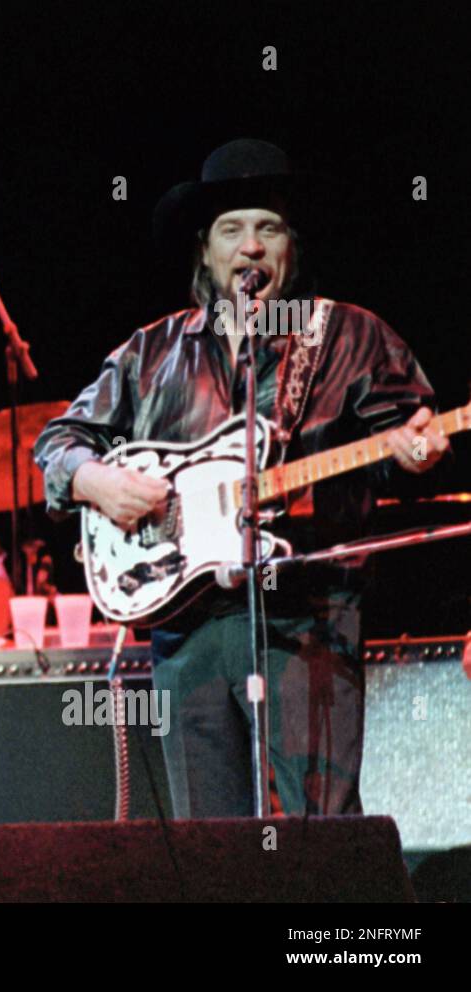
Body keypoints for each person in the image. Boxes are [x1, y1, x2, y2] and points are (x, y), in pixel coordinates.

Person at [34, 139, 447, 818]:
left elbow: (411, 437)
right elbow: (60, 442)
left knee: (321, 835)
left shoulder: (348, 336)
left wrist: (416, 451)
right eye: (232, 230)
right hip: (185, 625)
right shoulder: (152, 352)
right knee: (209, 844)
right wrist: (95, 482)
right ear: (205, 250)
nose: (250, 247)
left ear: (291, 246)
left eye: (268, 228)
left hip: (309, 617)